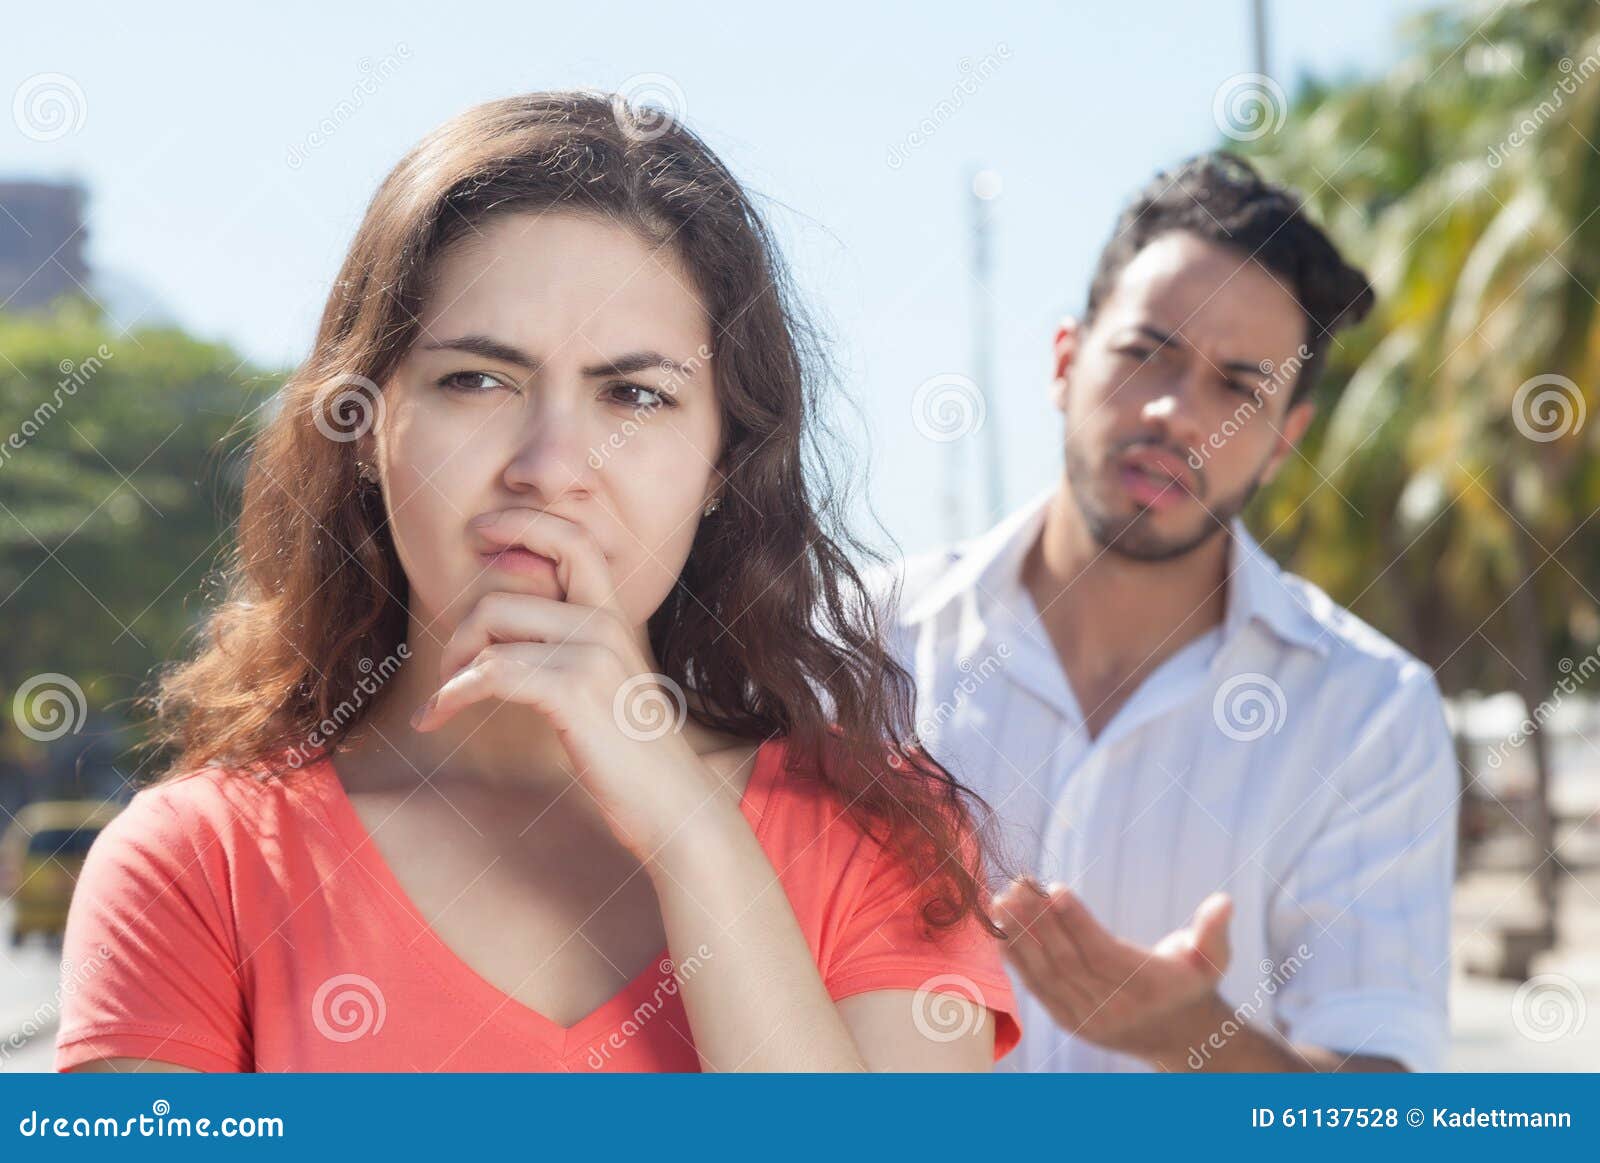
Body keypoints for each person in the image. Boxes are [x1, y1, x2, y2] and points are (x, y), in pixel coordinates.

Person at [55, 91, 1018, 1073]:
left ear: (724, 463)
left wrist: (692, 831)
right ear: (366, 427)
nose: (552, 467)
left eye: (634, 394)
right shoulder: (198, 864)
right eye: (477, 380)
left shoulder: (879, 840)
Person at [867, 153, 1458, 1073]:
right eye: (1147, 354)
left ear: (1283, 442)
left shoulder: (1371, 711)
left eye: (1239, 386)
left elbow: (1383, 1108)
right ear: (1066, 361)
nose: (1179, 413)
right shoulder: (863, 641)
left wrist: (1192, 1040)